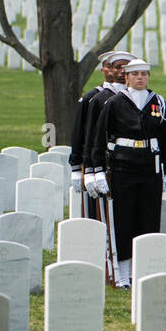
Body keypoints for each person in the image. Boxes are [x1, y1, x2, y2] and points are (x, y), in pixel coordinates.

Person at [87, 59, 166, 288]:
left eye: (144, 74)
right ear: (126, 77)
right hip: (123, 167)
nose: (140, 78)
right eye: (135, 74)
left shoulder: (158, 102)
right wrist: (96, 171)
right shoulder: (115, 102)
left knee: (148, 218)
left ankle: (143, 270)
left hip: (150, 168)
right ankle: (123, 273)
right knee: (124, 219)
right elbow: (99, 138)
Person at [69, 50, 120, 222]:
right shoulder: (92, 99)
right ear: (104, 70)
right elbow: (81, 134)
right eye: (110, 67)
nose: (117, 72)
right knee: (96, 211)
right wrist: (78, 166)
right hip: (95, 160)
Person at [80, 50, 134, 208]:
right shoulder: (96, 99)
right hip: (105, 160)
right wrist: (89, 169)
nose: (122, 71)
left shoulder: (140, 98)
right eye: (117, 67)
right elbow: (88, 136)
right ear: (107, 70)